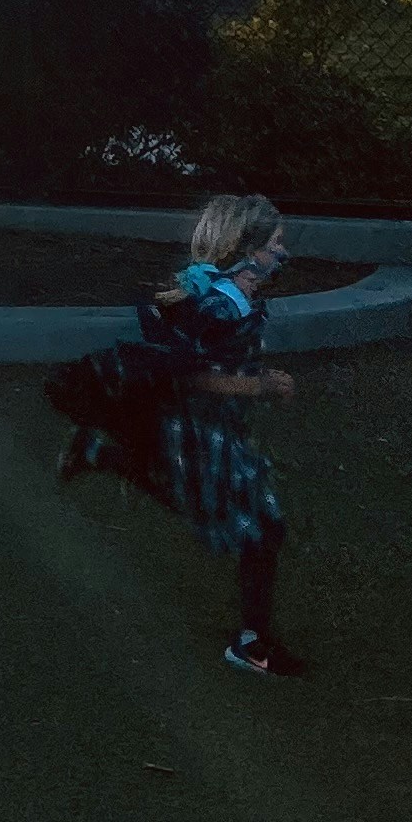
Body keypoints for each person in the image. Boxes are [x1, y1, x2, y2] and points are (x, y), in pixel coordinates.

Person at [50, 191, 307, 676]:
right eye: (276, 242)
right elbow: (191, 374)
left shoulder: (236, 296)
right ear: (248, 247)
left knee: (230, 515)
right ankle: (250, 644)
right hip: (196, 425)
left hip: (214, 425)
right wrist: (260, 386)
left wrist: (259, 382)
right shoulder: (217, 303)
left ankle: (99, 452)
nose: (283, 252)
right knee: (256, 523)